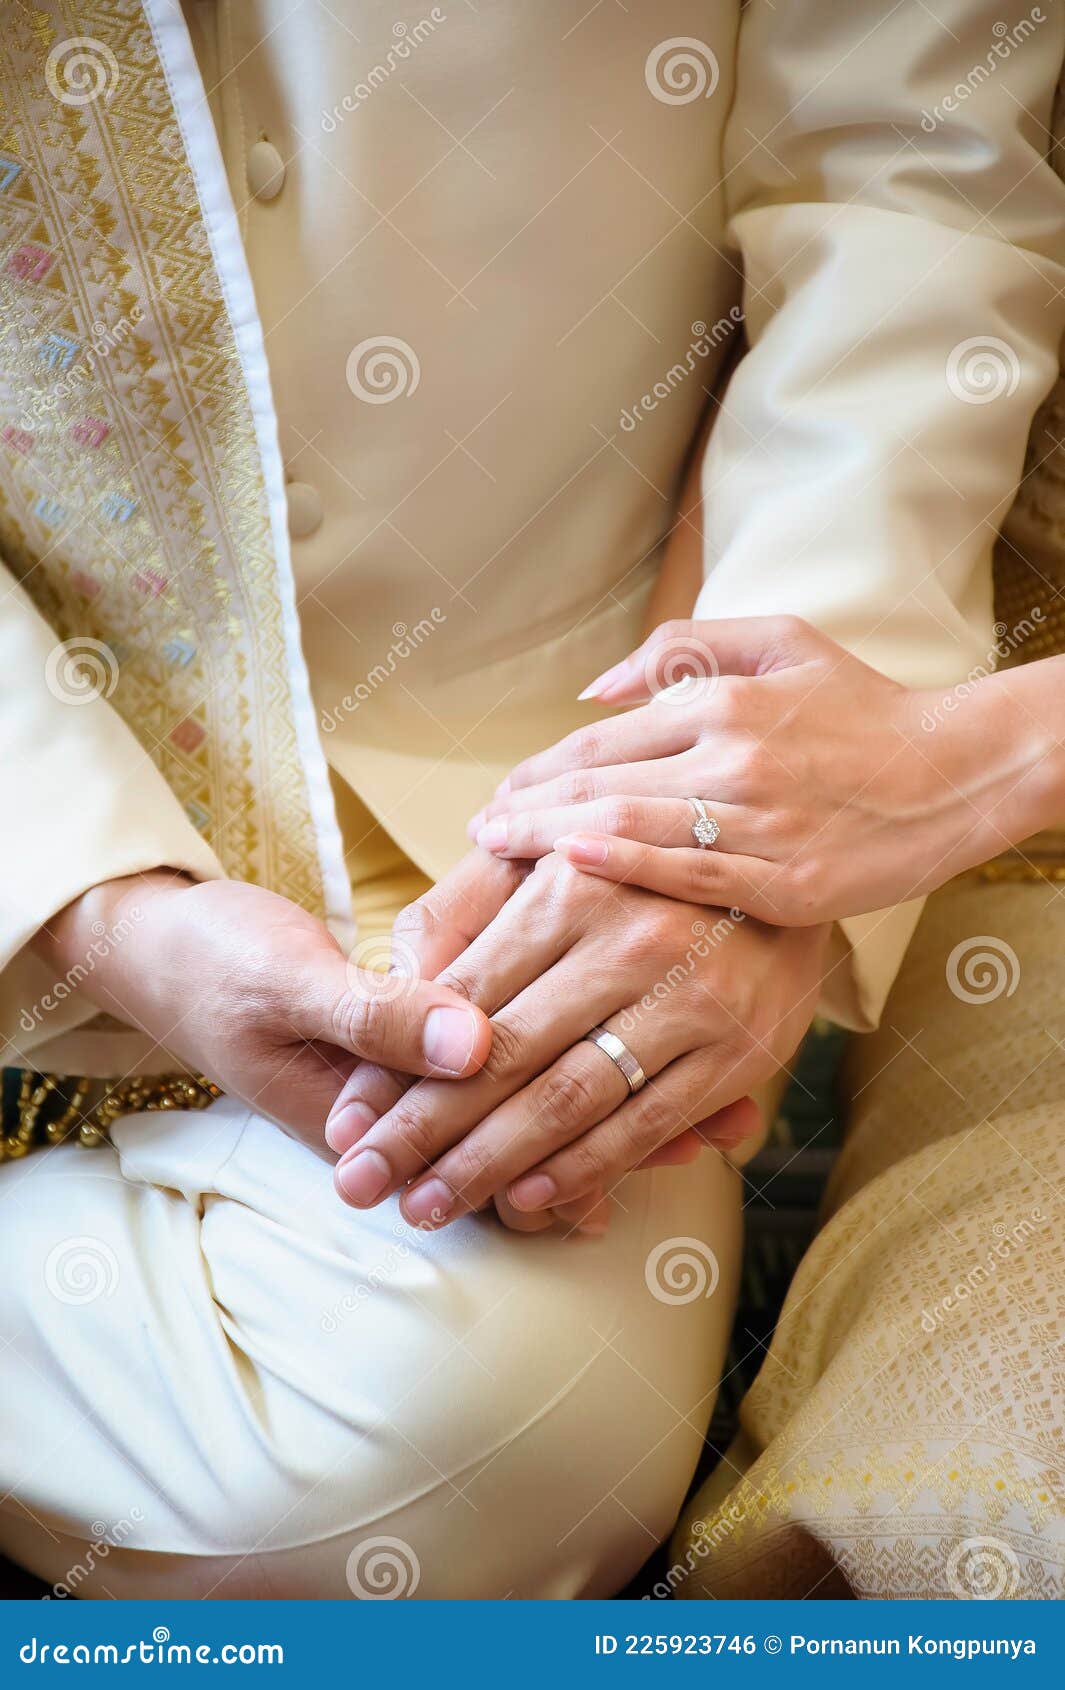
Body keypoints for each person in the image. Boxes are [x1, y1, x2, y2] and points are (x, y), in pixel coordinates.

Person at [1, 0, 1063, 1599]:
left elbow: (900, 188)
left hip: (504, 810)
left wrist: (732, 808)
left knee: (475, 1431)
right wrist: (92, 906)